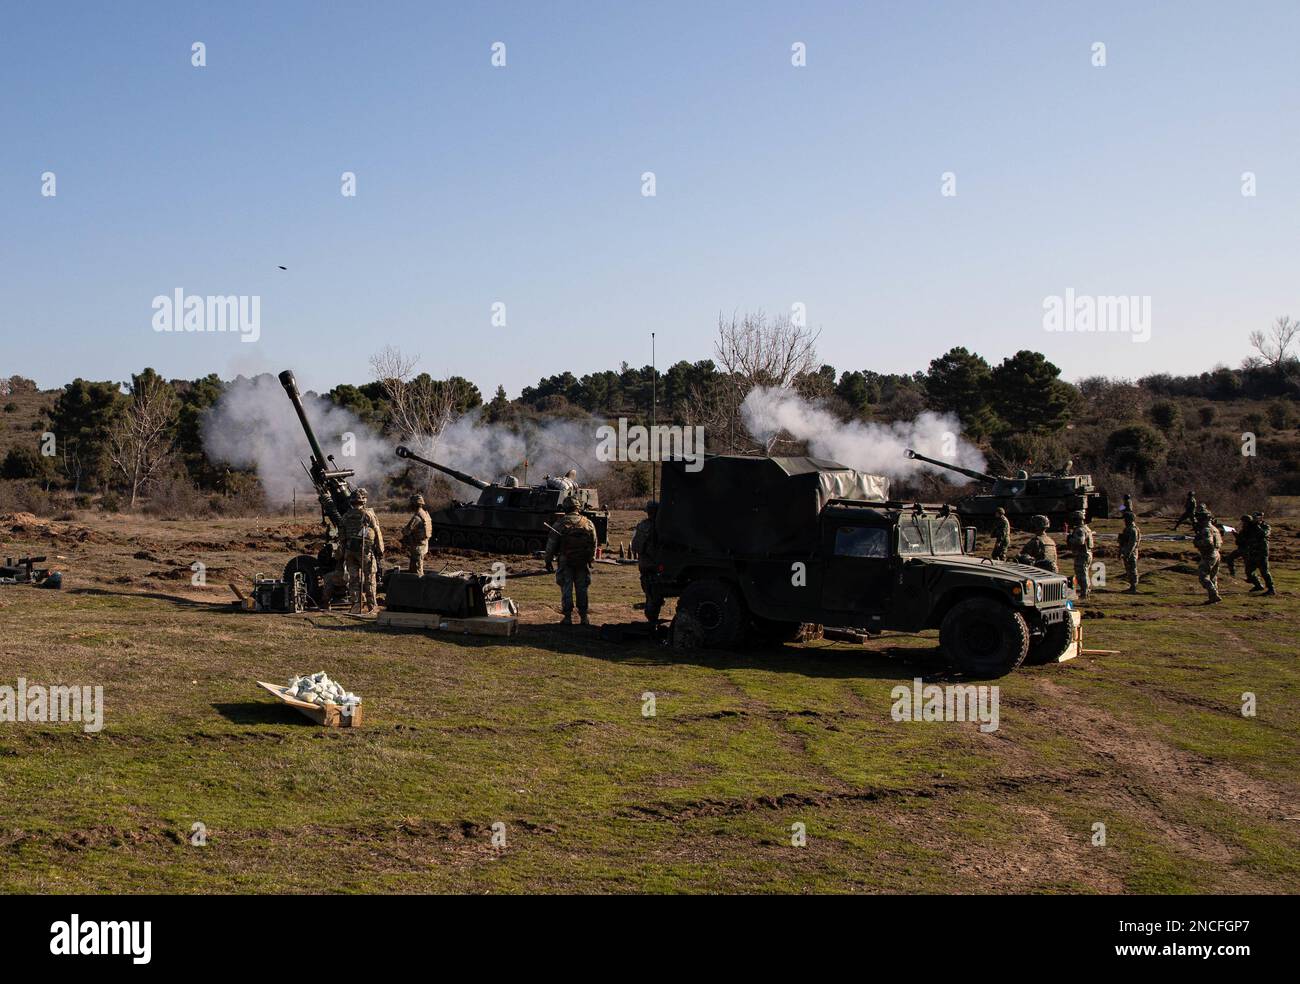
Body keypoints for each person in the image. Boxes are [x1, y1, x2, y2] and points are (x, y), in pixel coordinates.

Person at [545, 497, 597, 625]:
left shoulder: (560, 523)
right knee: (582, 588)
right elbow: (594, 542)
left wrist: (548, 560)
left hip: (565, 561)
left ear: (565, 508)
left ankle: (567, 617)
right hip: (582, 561)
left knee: (566, 587)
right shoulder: (588, 523)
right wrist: (591, 559)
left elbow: (551, 544)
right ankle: (584, 617)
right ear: (578, 508)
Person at [340, 487, 384, 614]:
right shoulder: (368, 515)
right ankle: (372, 606)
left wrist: (343, 551)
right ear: (363, 501)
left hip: (350, 552)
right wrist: (380, 550)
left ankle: (356, 605)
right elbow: (377, 532)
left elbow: (341, 536)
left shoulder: (346, 516)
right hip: (365, 552)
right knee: (370, 578)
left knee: (353, 579)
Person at [630, 500, 662, 622]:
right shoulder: (662, 527)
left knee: (650, 594)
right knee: (654, 596)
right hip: (656, 565)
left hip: (645, 565)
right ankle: (652, 620)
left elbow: (635, 546)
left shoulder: (642, 526)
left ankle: (651, 618)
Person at [1192, 504, 1222, 604]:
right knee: (1213, 577)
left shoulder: (1206, 530)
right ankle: (1213, 597)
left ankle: (1214, 594)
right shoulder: (1214, 528)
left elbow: (1207, 542)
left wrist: (1197, 542)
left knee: (1203, 576)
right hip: (1217, 553)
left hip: (1209, 554)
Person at [400, 493, 432, 576]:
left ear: (414, 504)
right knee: (416, 568)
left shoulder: (416, 518)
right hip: (424, 545)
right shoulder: (425, 514)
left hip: (417, 547)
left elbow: (406, 531)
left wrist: (403, 530)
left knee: (418, 572)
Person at [1065, 510, 1095, 598]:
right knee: (1084, 573)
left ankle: (1084, 593)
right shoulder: (1086, 528)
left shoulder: (1080, 530)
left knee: (1082, 574)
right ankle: (1086, 592)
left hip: (1082, 554)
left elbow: (1080, 541)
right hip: (1086, 553)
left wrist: (1070, 539)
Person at [1247, 511, 1276, 596]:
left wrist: (1257, 525)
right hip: (1252, 552)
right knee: (1249, 571)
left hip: (1262, 552)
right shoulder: (1251, 526)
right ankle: (1258, 585)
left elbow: (1263, 534)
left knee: (1264, 572)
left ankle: (1271, 589)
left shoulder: (1266, 526)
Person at [1118, 510, 1141, 593]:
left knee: (1132, 569)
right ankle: (1131, 586)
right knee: (1129, 569)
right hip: (1127, 551)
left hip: (1131, 552)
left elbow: (1132, 543)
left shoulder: (1132, 530)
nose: (1124, 521)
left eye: (1126, 519)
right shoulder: (1127, 529)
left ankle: (1133, 587)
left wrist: (1128, 553)